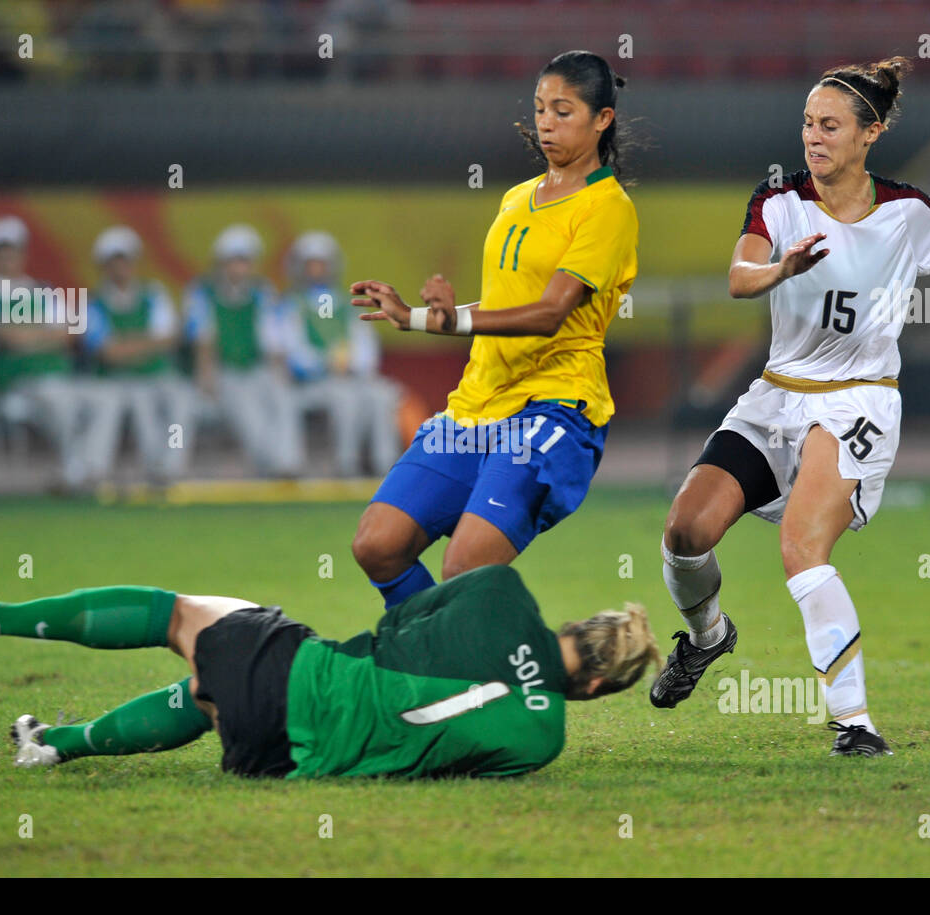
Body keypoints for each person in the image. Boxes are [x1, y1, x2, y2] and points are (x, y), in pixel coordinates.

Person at [653, 57, 930, 757]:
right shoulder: (778, 202)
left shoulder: (907, 213)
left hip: (858, 403)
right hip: (776, 395)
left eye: (829, 125)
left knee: (801, 548)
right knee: (685, 532)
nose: (812, 138)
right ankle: (707, 640)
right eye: (806, 124)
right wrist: (779, 270)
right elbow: (738, 277)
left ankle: (855, 724)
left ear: (869, 133)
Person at [350, 50, 639, 608]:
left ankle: (513, 675)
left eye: (564, 110)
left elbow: (550, 312)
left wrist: (457, 319)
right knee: (377, 544)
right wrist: (417, 317)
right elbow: (508, 304)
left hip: (553, 409)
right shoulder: (516, 198)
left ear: (602, 119)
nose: (547, 123)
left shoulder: (607, 209)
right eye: (540, 110)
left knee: (465, 568)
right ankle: (436, 661)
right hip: (476, 406)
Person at [0, 565, 659, 779]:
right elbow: (454, 766)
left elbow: (398, 621)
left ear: (577, 626)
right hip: (288, 758)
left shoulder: (502, 588)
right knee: (205, 693)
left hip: (308, 679)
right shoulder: (544, 740)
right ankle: (54, 743)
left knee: (180, 614)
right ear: (596, 688)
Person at [0, 215, 88, 489]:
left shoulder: (42, 289)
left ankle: (84, 470)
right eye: (1, 252)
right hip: (13, 380)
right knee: (59, 399)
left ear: (23, 254)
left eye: (14, 251)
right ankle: (75, 471)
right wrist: (45, 335)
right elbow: (10, 339)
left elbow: (72, 333)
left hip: (57, 375)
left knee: (100, 400)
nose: (8, 258)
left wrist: (30, 335)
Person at [184, 224, 303, 477]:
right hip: (224, 371)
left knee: (283, 399)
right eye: (233, 261)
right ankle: (271, 466)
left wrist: (278, 374)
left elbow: (272, 338)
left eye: (244, 261)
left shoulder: (262, 292)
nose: (239, 268)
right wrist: (207, 376)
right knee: (246, 408)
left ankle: (290, 463)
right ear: (221, 263)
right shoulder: (202, 293)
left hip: (257, 368)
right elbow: (203, 339)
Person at [283, 230, 401, 477]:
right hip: (313, 383)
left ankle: (386, 467)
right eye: (311, 265)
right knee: (345, 399)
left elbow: (366, 345)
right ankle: (346, 467)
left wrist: (353, 363)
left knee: (382, 396)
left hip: (352, 377)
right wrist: (326, 363)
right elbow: (292, 350)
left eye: (322, 264)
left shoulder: (346, 304)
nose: (317, 270)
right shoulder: (292, 304)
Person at [81, 226, 194, 484]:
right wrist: (147, 343)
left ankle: (170, 468)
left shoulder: (154, 294)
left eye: (126, 259)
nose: (122, 266)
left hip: (155, 374)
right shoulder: (90, 302)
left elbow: (169, 338)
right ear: (104, 266)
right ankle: (93, 472)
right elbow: (107, 352)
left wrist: (127, 345)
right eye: (115, 261)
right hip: (113, 379)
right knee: (122, 402)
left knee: (181, 400)